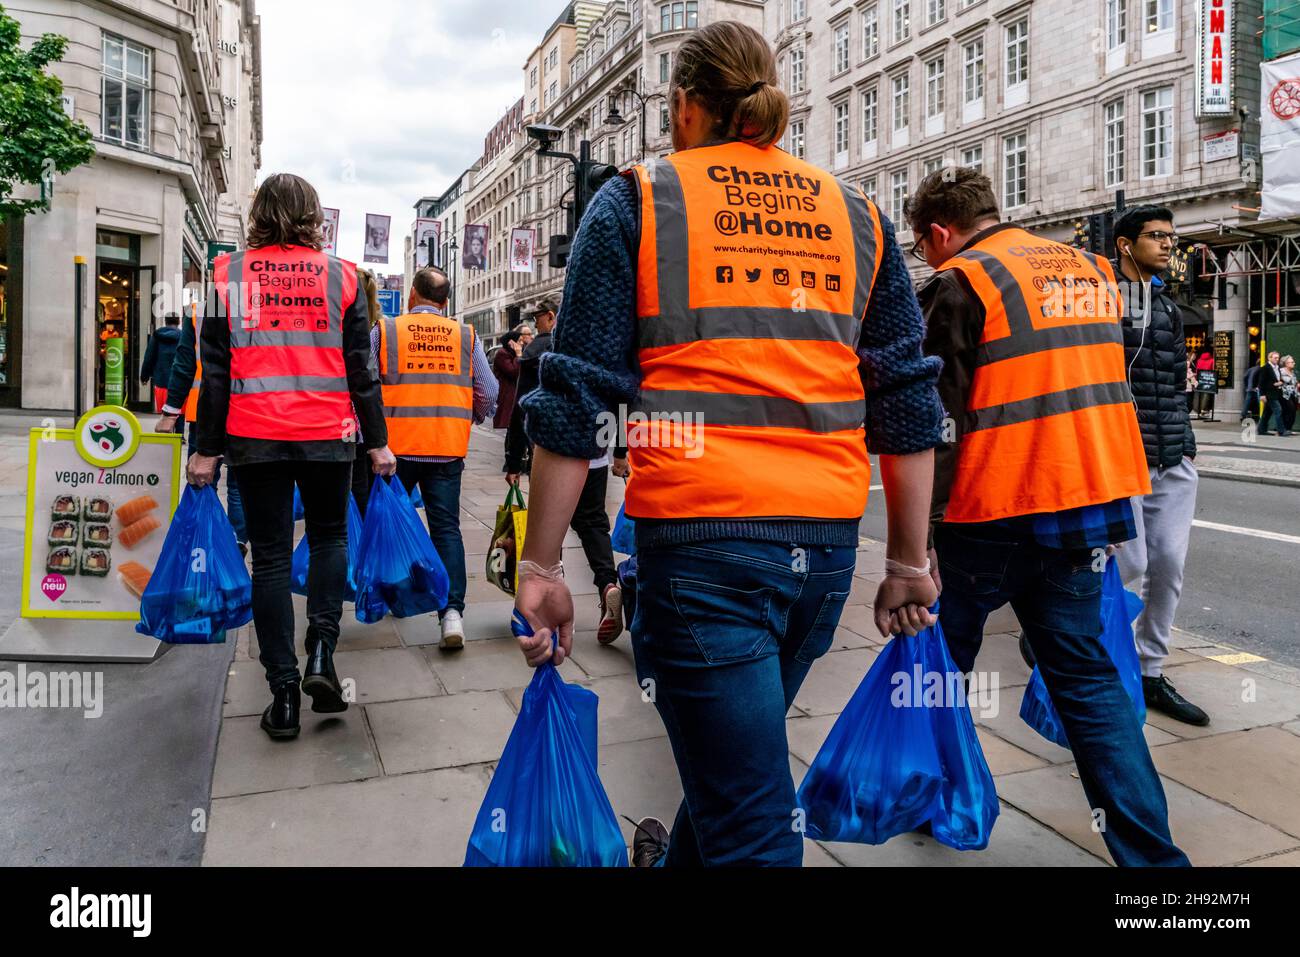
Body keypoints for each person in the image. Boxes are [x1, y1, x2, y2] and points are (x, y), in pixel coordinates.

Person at [513, 21, 942, 867]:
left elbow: (578, 395)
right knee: (730, 781)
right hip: (821, 553)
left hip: (700, 551)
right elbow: (905, 395)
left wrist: (540, 567)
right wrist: (904, 559)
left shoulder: (639, 198)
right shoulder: (858, 215)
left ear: (681, 107)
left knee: (751, 822)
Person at [911, 168, 1189, 866]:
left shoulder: (962, 280)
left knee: (941, 668)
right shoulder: (1091, 269)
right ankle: (1155, 864)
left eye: (924, 245)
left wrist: (918, 542)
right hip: (1085, 501)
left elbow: (937, 420)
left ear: (940, 231)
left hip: (991, 506)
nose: (928, 257)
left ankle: (937, 797)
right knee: (1089, 681)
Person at [187, 172, 397, 741]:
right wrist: (377, 442)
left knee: (273, 560)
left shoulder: (225, 274)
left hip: (254, 438)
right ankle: (322, 655)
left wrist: (205, 451)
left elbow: (216, 376)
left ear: (259, 214)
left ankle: (282, 695)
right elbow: (363, 372)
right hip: (329, 435)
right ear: (312, 217)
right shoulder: (344, 277)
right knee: (330, 538)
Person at [1109, 205, 1207, 726]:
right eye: (1157, 236)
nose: (1170, 245)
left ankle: (1150, 671)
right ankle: (1069, 640)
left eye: (1173, 237)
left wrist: (1186, 443)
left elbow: (1174, 385)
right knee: (1130, 564)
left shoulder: (1168, 307)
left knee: (1167, 567)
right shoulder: (1101, 300)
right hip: (1123, 459)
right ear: (1126, 244)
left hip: (1173, 457)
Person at [373, 265, 497, 649]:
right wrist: (468, 416)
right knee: (447, 529)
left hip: (395, 450)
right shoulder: (466, 335)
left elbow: (361, 383)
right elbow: (489, 392)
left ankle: (394, 595)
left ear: (412, 295)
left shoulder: (386, 331)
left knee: (389, 525)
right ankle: (452, 615)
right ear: (446, 302)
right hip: (445, 448)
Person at [505, 299, 625, 645]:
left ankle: (547, 587)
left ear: (551, 316)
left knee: (549, 523)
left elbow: (521, 408)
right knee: (593, 522)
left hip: (555, 450)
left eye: (538, 317)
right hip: (597, 453)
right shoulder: (601, 341)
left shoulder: (537, 352)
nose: (535, 323)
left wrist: (514, 459)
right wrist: (620, 451)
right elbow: (621, 398)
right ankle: (608, 584)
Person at [156, 304, 248, 552]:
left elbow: (184, 364)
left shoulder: (197, 312)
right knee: (239, 486)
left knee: (201, 479)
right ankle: (237, 542)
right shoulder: (255, 305)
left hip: (204, 411)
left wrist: (170, 411)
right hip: (246, 410)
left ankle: (203, 540)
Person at [350, 267, 385, 515]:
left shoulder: (361, 333)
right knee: (366, 501)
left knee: (351, 498)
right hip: (368, 428)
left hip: (344, 430)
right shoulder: (378, 329)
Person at [139, 314, 181, 412]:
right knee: (179, 416)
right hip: (179, 382)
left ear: (165, 322)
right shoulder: (183, 336)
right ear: (178, 322)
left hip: (161, 382)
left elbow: (149, 357)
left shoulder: (157, 335)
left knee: (163, 415)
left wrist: (144, 376)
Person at [491, 329, 522, 430]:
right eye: (519, 341)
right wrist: (518, 355)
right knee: (507, 425)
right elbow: (513, 372)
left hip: (514, 394)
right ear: (511, 342)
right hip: (506, 395)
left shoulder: (511, 354)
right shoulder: (502, 354)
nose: (521, 343)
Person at [1258, 351, 1289, 436]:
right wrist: (1262, 395)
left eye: (1278, 358)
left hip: (1276, 393)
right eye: (1275, 358)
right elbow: (1261, 382)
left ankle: (1261, 430)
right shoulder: (1265, 368)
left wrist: (1280, 382)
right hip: (1269, 394)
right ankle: (1281, 431)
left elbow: (1279, 379)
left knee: (1267, 412)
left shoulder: (1277, 368)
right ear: (1269, 358)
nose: (1277, 359)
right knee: (1278, 410)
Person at [1193, 350, 1215, 418]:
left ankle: (1197, 409)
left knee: (1198, 394)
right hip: (1208, 378)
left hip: (1200, 378)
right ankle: (1204, 410)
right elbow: (1213, 369)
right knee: (1206, 394)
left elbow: (1197, 369)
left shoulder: (1199, 360)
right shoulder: (1212, 360)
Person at [1281, 355, 1298, 435]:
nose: (1294, 363)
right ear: (1286, 363)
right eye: (1292, 362)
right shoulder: (1281, 371)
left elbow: (1294, 383)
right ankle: (1284, 428)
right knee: (1289, 411)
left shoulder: (1293, 372)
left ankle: (1288, 429)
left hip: (1293, 394)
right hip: (1285, 395)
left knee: (1293, 411)